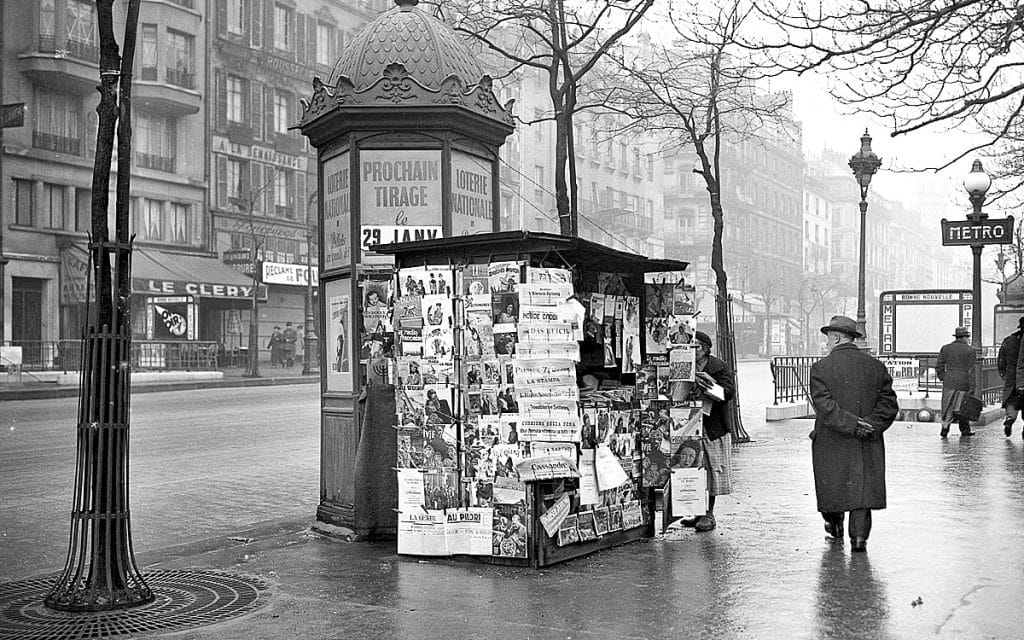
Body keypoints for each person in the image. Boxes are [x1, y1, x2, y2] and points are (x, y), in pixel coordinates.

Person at [809, 315, 898, 553]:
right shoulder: (876, 367)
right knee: (862, 490)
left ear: (836, 337)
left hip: (832, 440)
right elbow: (889, 405)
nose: (827, 343)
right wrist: (868, 425)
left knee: (832, 485)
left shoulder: (820, 368)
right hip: (867, 440)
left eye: (828, 338)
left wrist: (851, 423)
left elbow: (825, 406)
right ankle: (859, 539)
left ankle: (834, 525)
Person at [678, 330, 735, 533]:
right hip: (691, 421)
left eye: (697, 347)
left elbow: (729, 392)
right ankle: (697, 510)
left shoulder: (718, 366)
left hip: (713, 425)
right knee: (694, 467)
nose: (693, 351)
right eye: (691, 347)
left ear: (706, 350)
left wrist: (710, 385)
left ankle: (709, 513)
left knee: (711, 470)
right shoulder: (684, 364)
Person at [935, 326, 976, 438]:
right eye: (968, 337)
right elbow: (971, 371)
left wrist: (944, 377)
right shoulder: (970, 350)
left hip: (949, 380)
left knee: (948, 404)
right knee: (961, 405)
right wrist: (972, 386)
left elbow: (939, 366)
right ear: (965, 337)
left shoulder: (946, 348)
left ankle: (945, 426)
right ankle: (965, 430)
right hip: (963, 380)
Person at [998, 316, 1024, 437]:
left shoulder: (1008, 341)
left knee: (1012, 402)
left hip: (1011, 377)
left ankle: (1009, 420)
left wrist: (1005, 374)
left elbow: (1001, 361)